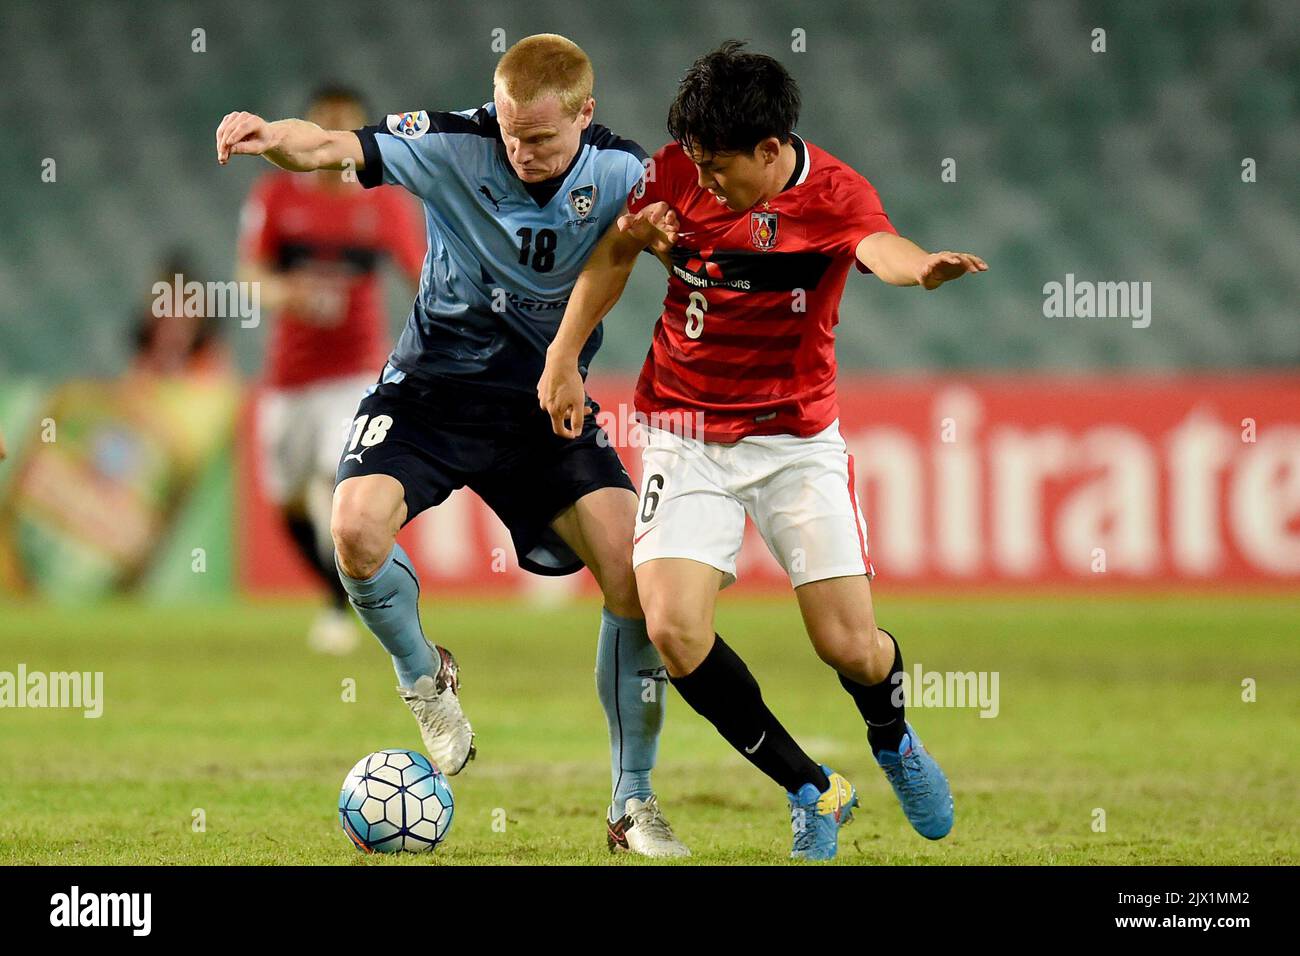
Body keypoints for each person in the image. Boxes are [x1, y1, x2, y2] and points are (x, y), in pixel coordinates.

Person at [216, 35, 689, 855]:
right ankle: (420, 675)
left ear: (586, 113)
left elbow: (679, 224)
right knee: (354, 531)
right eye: (510, 131)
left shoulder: (621, 173)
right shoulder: (448, 143)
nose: (521, 151)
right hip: (429, 392)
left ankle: (633, 802)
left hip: (542, 408)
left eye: (540, 137)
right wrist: (272, 135)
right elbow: (331, 144)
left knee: (633, 581)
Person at [539, 41, 987, 860]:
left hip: (795, 440)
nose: (703, 181)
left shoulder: (838, 193)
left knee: (848, 646)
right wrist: (565, 355)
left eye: (720, 169)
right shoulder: (673, 172)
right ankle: (814, 789)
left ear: (772, 151)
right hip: (684, 431)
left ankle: (891, 737)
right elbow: (616, 249)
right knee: (673, 629)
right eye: (697, 165)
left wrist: (920, 268)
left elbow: (878, 247)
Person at [236, 84, 425, 655]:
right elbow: (249, 276)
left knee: (337, 481)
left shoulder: (384, 204)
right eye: (324, 126)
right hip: (289, 379)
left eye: (345, 128)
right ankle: (333, 592)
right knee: (287, 498)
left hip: (354, 374)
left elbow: (420, 276)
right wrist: (287, 293)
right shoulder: (274, 198)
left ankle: (342, 609)